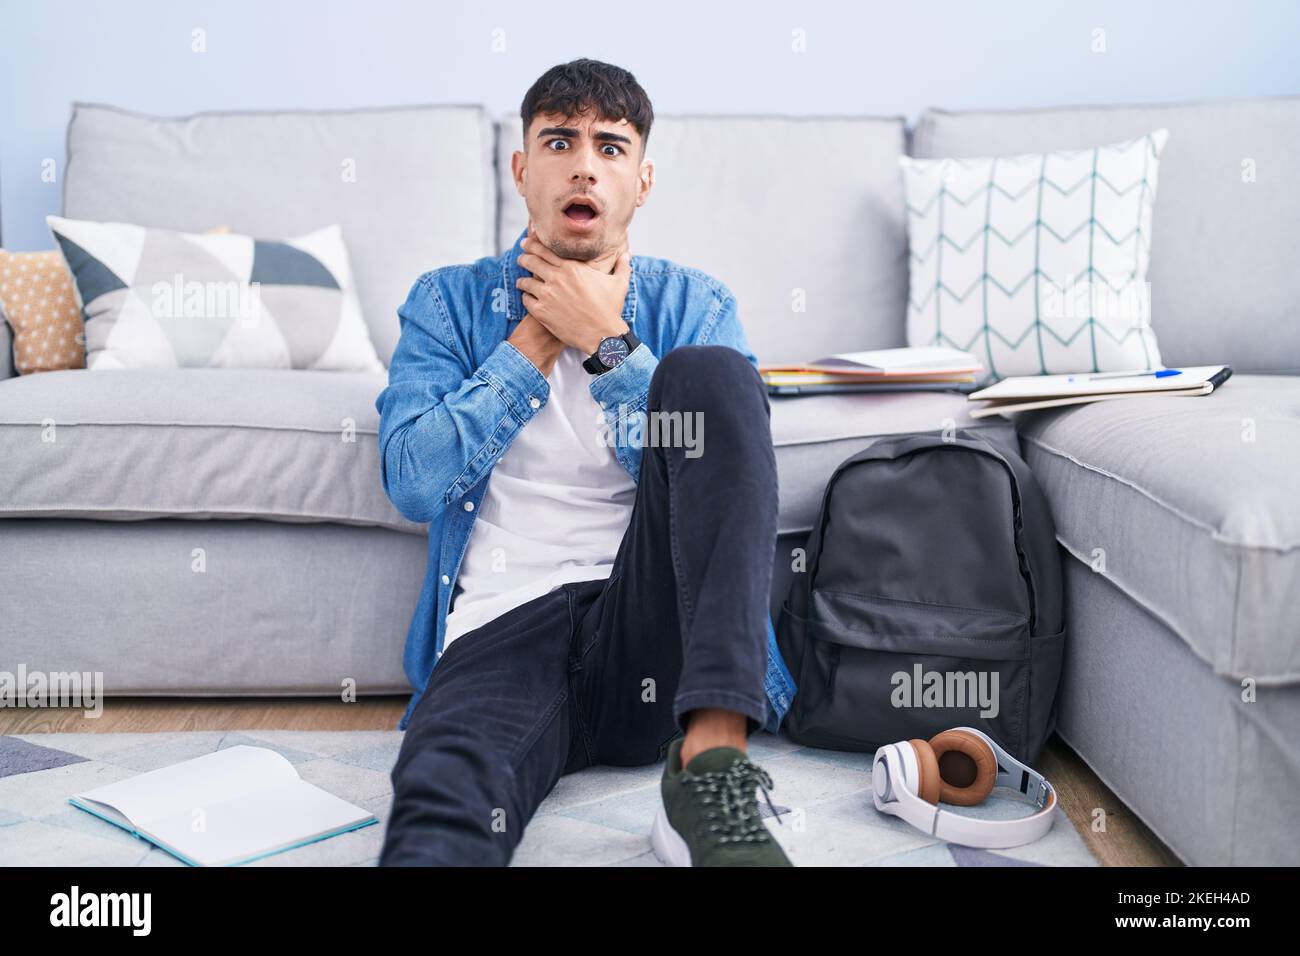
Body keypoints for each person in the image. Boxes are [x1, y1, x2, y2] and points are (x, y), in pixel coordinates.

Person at [375, 58, 795, 867]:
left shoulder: (695, 305)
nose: (583, 165)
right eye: (560, 141)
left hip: (650, 632)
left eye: (609, 146)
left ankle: (709, 769)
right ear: (523, 171)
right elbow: (414, 483)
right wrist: (534, 339)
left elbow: (720, 479)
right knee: (439, 798)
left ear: (641, 181)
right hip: (501, 628)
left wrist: (608, 345)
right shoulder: (446, 302)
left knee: (712, 375)